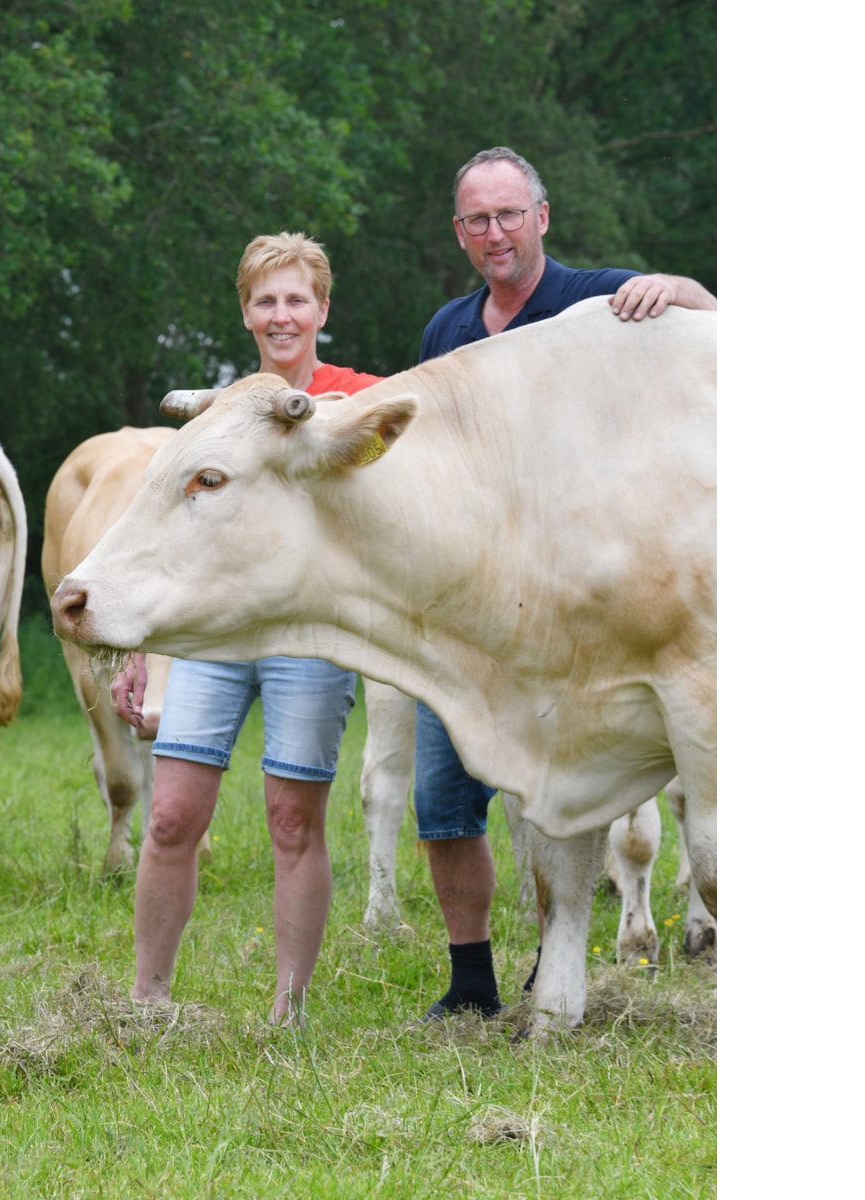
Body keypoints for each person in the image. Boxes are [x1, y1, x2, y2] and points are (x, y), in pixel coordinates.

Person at [412, 146, 716, 1021]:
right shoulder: (448, 332)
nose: (495, 233)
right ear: (460, 232)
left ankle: (556, 967)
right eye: (477, 219)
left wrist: (678, 288)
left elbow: (712, 325)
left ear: (541, 216)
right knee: (443, 800)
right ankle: (471, 981)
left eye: (510, 214)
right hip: (468, 602)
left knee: (552, 793)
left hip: (574, 604)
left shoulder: (597, 298)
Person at [110, 232, 386, 1026]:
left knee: (293, 819)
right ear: (245, 314)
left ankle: (287, 1008)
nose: (282, 315)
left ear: (323, 309)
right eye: (266, 301)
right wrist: (143, 639)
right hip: (220, 637)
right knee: (170, 817)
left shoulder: (358, 401)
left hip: (307, 637)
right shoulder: (221, 414)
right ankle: (146, 1000)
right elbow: (173, 532)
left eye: (297, 299)